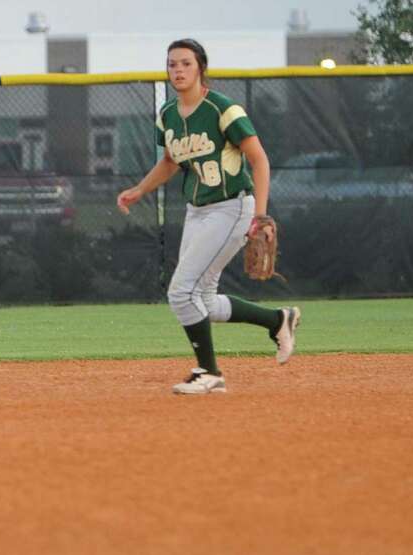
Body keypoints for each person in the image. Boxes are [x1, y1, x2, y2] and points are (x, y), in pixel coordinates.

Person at [117, 38, 299, 395]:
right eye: (172, 64)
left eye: (185, 63)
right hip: (197, 211)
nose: (178, 70)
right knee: (202, 300)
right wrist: (140, 190)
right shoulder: (168, 113)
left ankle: (209, 372)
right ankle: (278, 320)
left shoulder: (223, 109)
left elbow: (259, 159)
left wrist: (259, 215)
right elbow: (171, 161)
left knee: (181, 293)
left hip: (232, 207)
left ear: (201, 67)